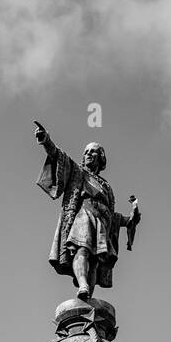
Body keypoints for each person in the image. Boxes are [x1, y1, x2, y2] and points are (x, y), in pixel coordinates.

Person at [34, 121, 140, 299]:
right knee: (81, 249)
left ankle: (87, 296)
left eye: (93, 151)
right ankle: (82, 285)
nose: (89, 154)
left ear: (101, 157)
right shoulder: (78, 172)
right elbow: (59, 156)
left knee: (95, 261)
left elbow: (112, 215)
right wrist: (47, 141)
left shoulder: (106, 187)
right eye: (86, 152)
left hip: (102, 222)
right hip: (84, 214)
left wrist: (130, 218)